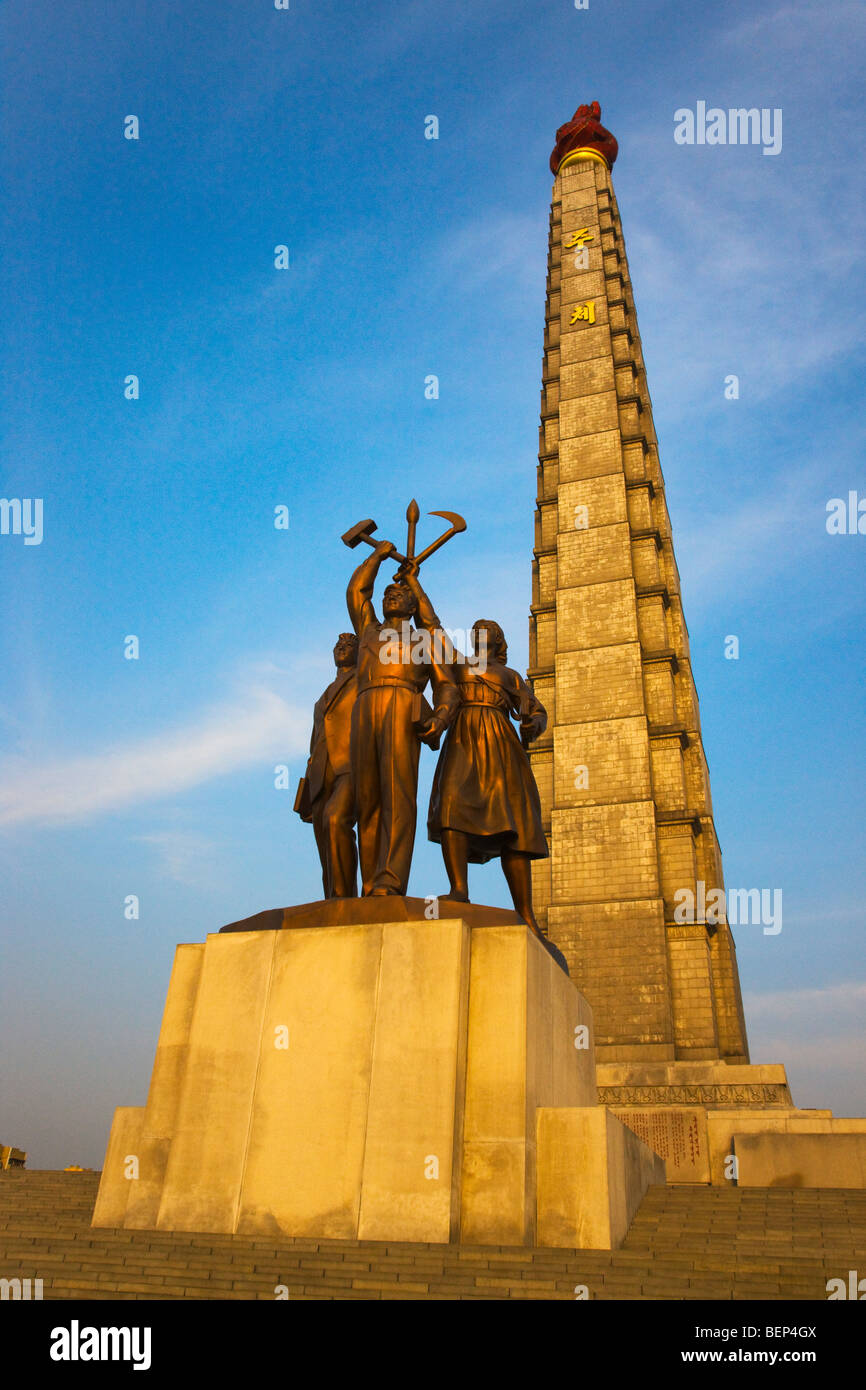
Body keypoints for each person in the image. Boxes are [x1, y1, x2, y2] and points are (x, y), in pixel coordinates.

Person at [421, 616, 549, 940]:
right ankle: (459, 889)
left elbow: (536, 710)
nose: (480, 635)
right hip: (463, 740)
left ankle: (526, 914)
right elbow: (432, 628)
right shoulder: (458, 665)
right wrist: (415, 587)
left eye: (487, 632)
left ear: (498, 641)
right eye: (476, 632)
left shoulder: (509, 676)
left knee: (514, 825)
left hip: (500, 745)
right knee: (450, 803)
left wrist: (534, 725)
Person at [346, 541, 458, 896]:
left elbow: (447, 687)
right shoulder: (368, 630)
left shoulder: (426, 638)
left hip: (403, 703)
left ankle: (391, 878)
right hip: (364, 707)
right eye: (388, 593)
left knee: (397, 795)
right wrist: (377, 554)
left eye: (400, 593)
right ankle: (369, 881)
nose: (392, 595)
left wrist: (440, 719)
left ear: (413, 605)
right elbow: (356, 590)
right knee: (367, 798)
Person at [295, 632, 360, 898]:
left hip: (352, 764)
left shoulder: (364, 680)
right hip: (322, 773)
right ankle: (334, 897)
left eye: (348, 645)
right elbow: (314, 744)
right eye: (338, 645)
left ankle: (346, 896)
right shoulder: (322, 697)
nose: (341, 648)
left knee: (336, 820)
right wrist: (308, 785)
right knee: (324, 839)